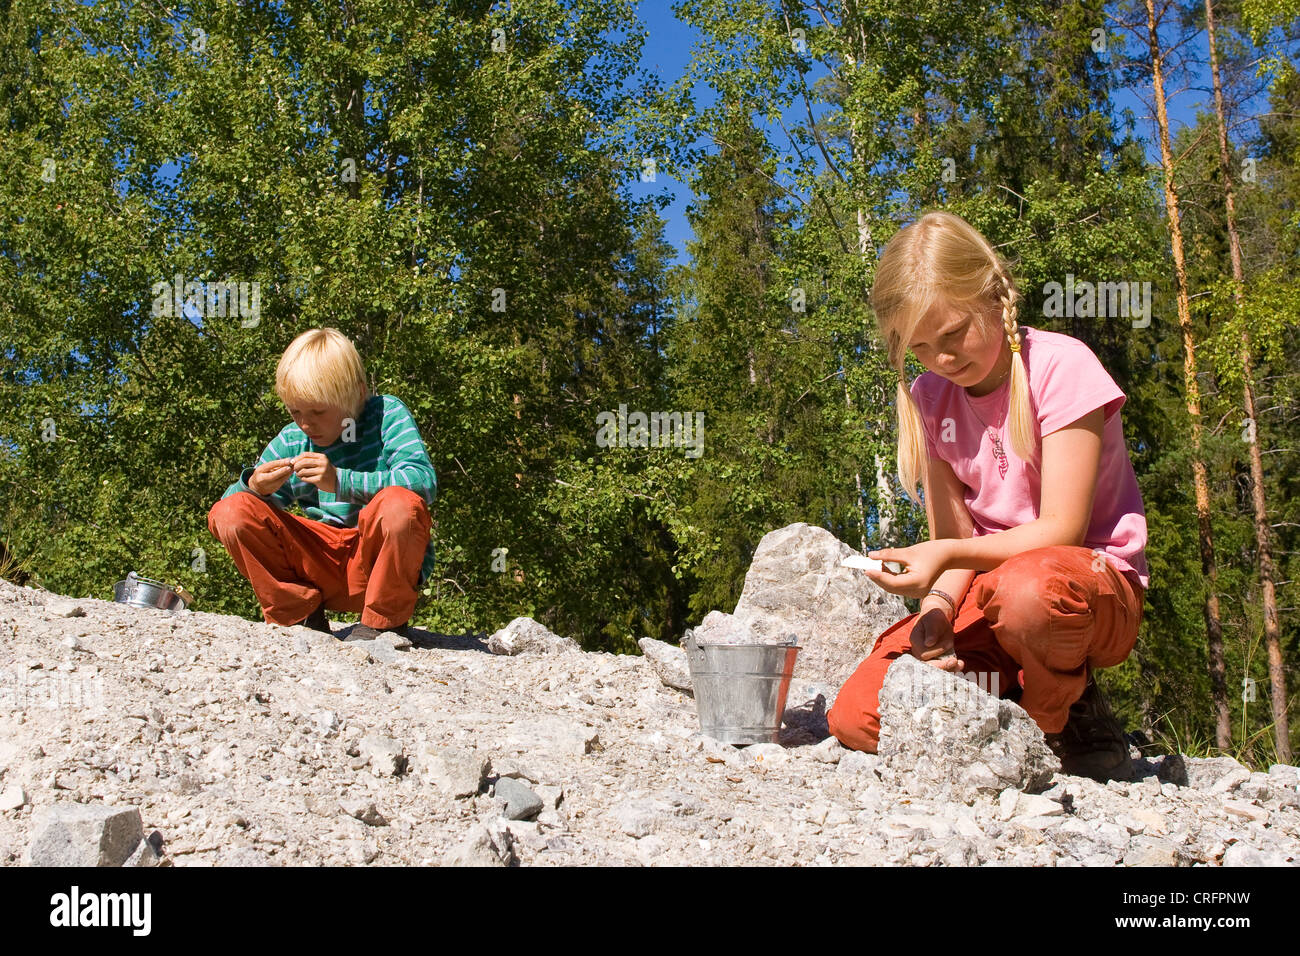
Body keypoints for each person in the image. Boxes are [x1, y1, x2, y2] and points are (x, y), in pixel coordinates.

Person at [826, 211, 1149, 782]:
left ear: (994, 292)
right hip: (988, 594)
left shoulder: (1061, 366)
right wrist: (937, 609)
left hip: (1088, 588)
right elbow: (956, 539)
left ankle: (1061, 713)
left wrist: (945, 557)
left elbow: (1063, 530)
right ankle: (1007, 698)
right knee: (858, 716)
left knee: (1031, 594)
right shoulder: (932, 398)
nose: (943, 359)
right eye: (922, 348)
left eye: (952, 333)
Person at [207, 328, 436, 641]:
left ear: (357, 394)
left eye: (317, 411)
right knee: (232, 511)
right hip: (317, 566)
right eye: (295, 411)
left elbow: (423, 482)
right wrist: (254, 488)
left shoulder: (387, 414)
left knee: (400, 505)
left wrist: (340, 480)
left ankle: (384, 624)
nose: (305, 423)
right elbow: (225, 515)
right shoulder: (292, 439)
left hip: (375, 564)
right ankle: (298, 616)